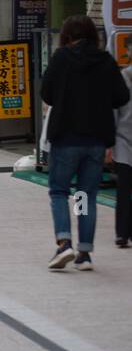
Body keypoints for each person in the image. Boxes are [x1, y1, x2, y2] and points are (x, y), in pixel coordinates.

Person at [40, 15, 129, 271]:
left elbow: (46, 93)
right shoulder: (105, 60)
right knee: (85, 194)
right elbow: (121, 97)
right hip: (96, 140)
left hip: (66, 137)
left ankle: (64, 242)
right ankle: (85, 254)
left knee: (59, 191)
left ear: (66, 36)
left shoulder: (61, 59)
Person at [115, 62, 132, 248]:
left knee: (124, 188)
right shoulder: (122, 76)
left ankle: (122, 233)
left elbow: (114, 109)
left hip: (123, 139)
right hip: (123, 140)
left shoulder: (123, 76)